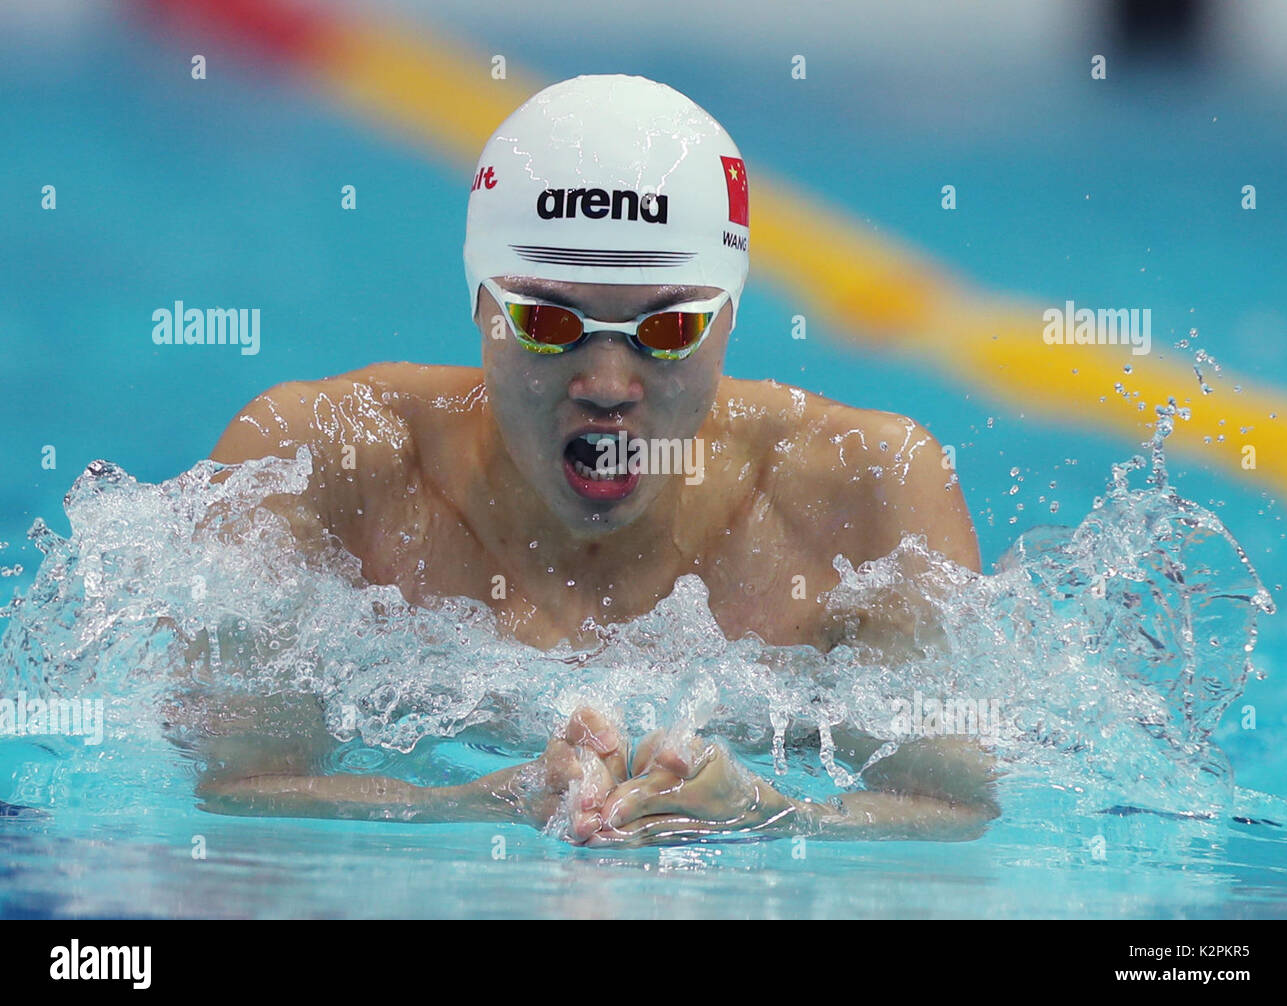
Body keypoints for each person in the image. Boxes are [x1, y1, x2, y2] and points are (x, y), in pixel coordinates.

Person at [196, 74, 996, 846]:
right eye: (547, 320)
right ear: (480, 302)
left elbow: (957, 813)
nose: (608, 386)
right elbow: (230, 794)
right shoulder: (316, 465)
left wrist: (776, 817)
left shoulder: (868, 493)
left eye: (669, 330)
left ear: (730, 320)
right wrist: (471, 805)